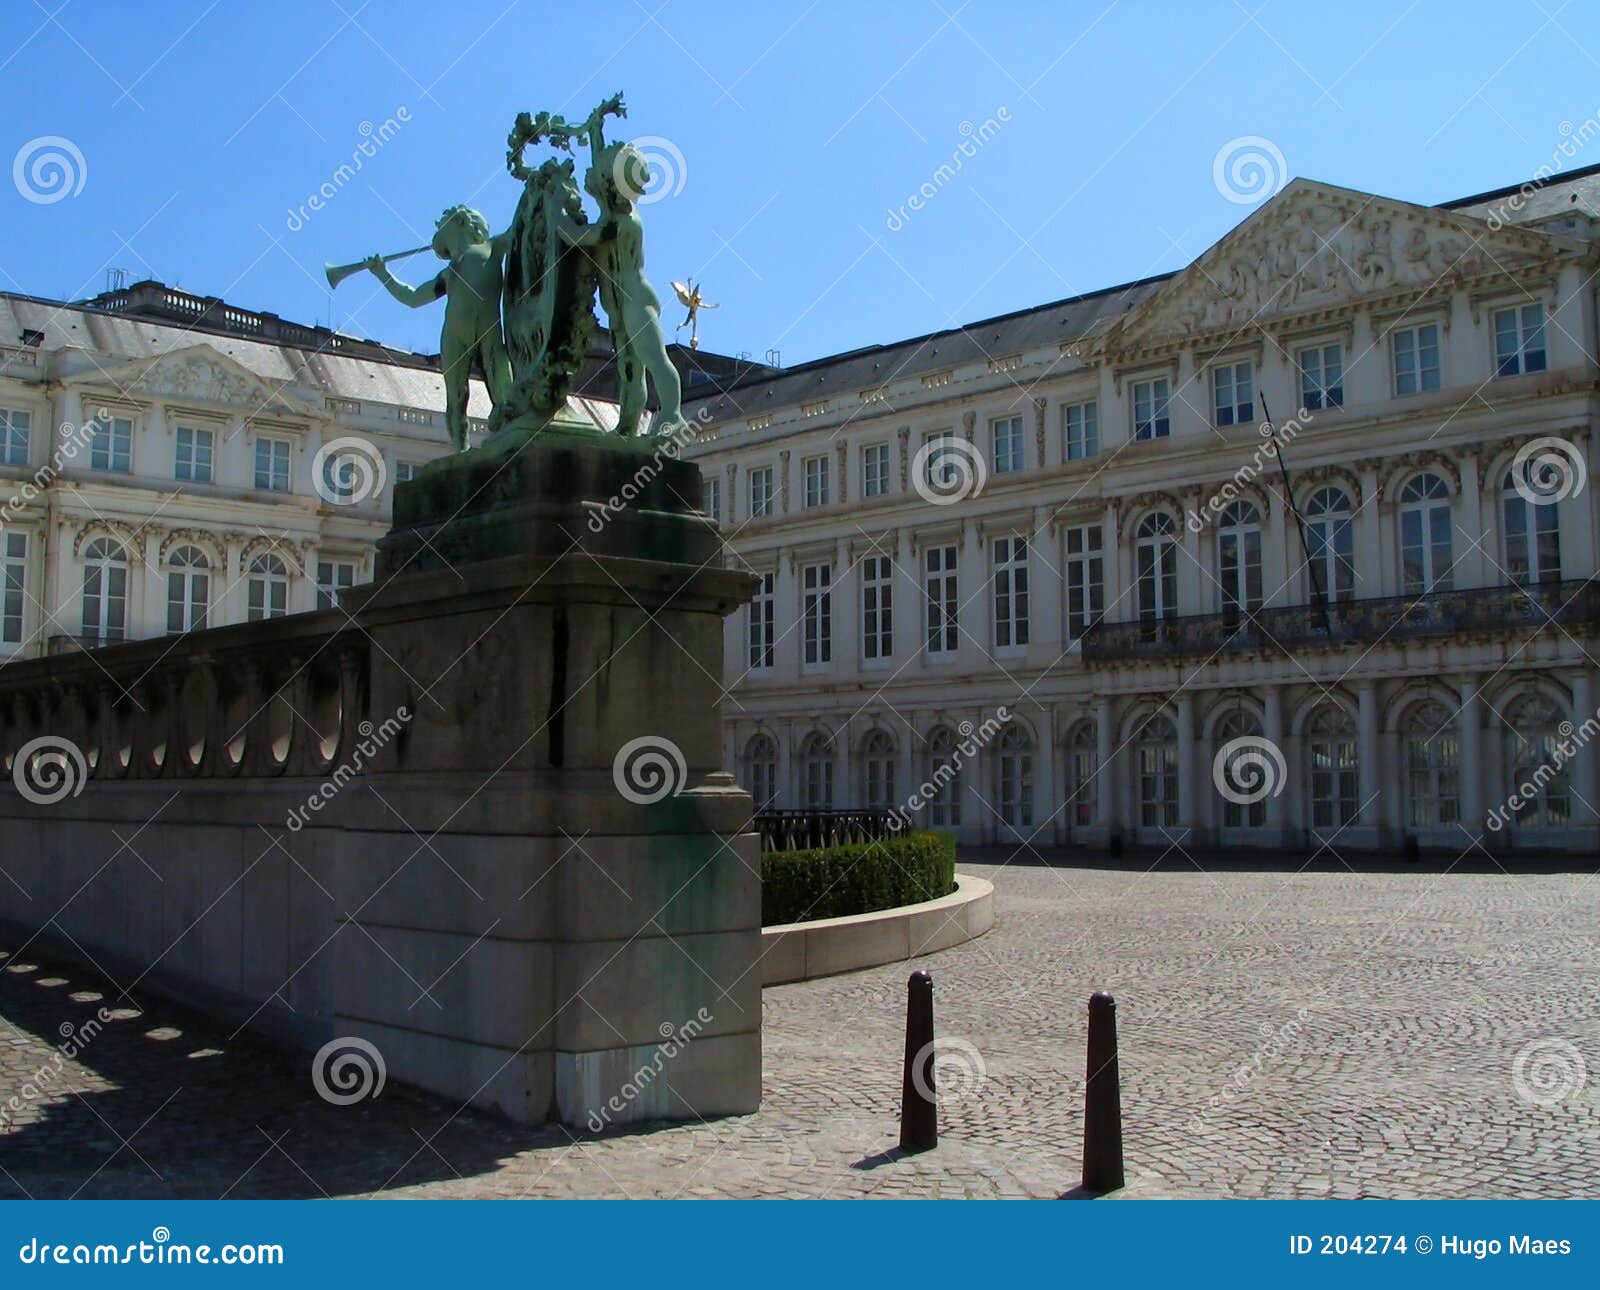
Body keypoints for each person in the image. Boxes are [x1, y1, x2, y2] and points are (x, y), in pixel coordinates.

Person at [558, 143, 686, 437]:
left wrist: (556, 216)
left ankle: (673, 414)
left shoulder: (622, 221)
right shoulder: (613, 214)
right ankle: (628, 424)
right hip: (620, 304)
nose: (591, 180)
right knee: (630, 368)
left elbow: (579, 237)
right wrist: (595, 134)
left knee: (652, 358)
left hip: (636, 300)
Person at [366, 206, 513, 451]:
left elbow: (518, 227)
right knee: (456, 398)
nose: (437, 229)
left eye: (441, 223)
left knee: (504, 390)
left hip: (489, 332)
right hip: (454, 337)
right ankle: (461, 450)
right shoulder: (448, 273)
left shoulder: (492, 247)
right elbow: (412, 297)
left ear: (458, 222)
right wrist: (383, 274)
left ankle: (509, 440)